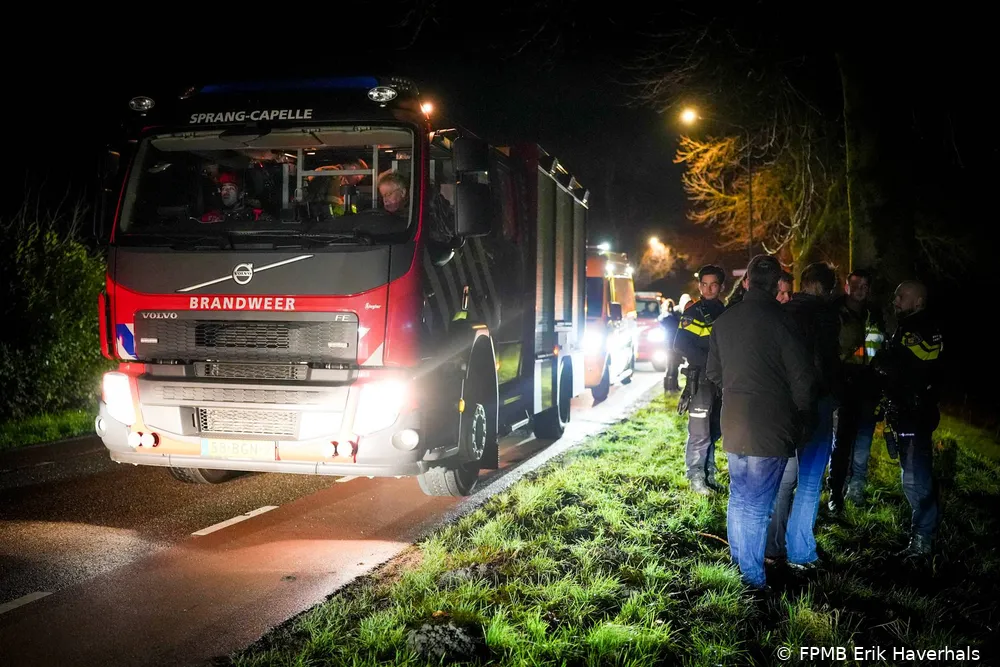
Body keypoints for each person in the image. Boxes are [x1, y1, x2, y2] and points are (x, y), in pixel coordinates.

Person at [707, 254, 816, 590]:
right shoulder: (784, 322)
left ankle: (740, 568)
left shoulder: (725, 320)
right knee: (756, 505)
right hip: (771, 427)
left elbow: (713, 372)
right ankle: (751, 579)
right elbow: (803, 381)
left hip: (735, 423)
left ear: (748, 282)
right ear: (775, 285)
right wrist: (802, 415)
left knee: (740, 497)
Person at [766, 262, 840, 570]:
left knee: (783, 479)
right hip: (816, 405)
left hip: (785, 406)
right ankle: (801, 551)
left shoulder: (784, 313)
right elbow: (825, 365)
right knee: (809, 481)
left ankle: (772, 547)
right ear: (825, 288)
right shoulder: (824, 316)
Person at [872, 280, 943, 559]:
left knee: (916, 479)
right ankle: (920, 537)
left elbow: (920, 367)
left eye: (902, 296)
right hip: (904, 413)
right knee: (910, 475)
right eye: (895, 295)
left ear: (919, 301)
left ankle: (923, 541)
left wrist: (889, 364)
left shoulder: (923, 329)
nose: (895, 300)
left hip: (916, 414)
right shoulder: (906, 326)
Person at [827, 268, 886, 511]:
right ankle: (836, 491)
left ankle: (857, 486)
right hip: (844, 383)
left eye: (865, 286)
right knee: (841, 440)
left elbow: (880, 346)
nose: (861, 290)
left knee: (863, 439)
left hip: (869, 383)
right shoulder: (835, 311)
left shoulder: (874, 313)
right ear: (847, 287)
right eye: (856, 285)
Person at [674, 265, 727, 494]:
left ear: (721, 287)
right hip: (701, 381)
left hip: (721, 381)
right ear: (699, 286)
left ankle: (709, 474)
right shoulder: (693, 313)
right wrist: (711, 363)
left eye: (713, 284)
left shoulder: (727, 312)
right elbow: (681, 344)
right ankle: (696, 478)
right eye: (704, 284)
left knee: (715, 429)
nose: (708, 289)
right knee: (699, 431)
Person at [200, 172, 265, 223]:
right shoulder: (212, 217)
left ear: (241, 194)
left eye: (231, 188)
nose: (226, 191)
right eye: (223, 188)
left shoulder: (254, 215)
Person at [661, 298, 682, 391]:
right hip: (673, 344)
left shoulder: (665, 318)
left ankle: (669, 386)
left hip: (669, 344)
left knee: (671, 366)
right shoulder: (673, 318)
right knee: (673, 366)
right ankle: (672, 386)